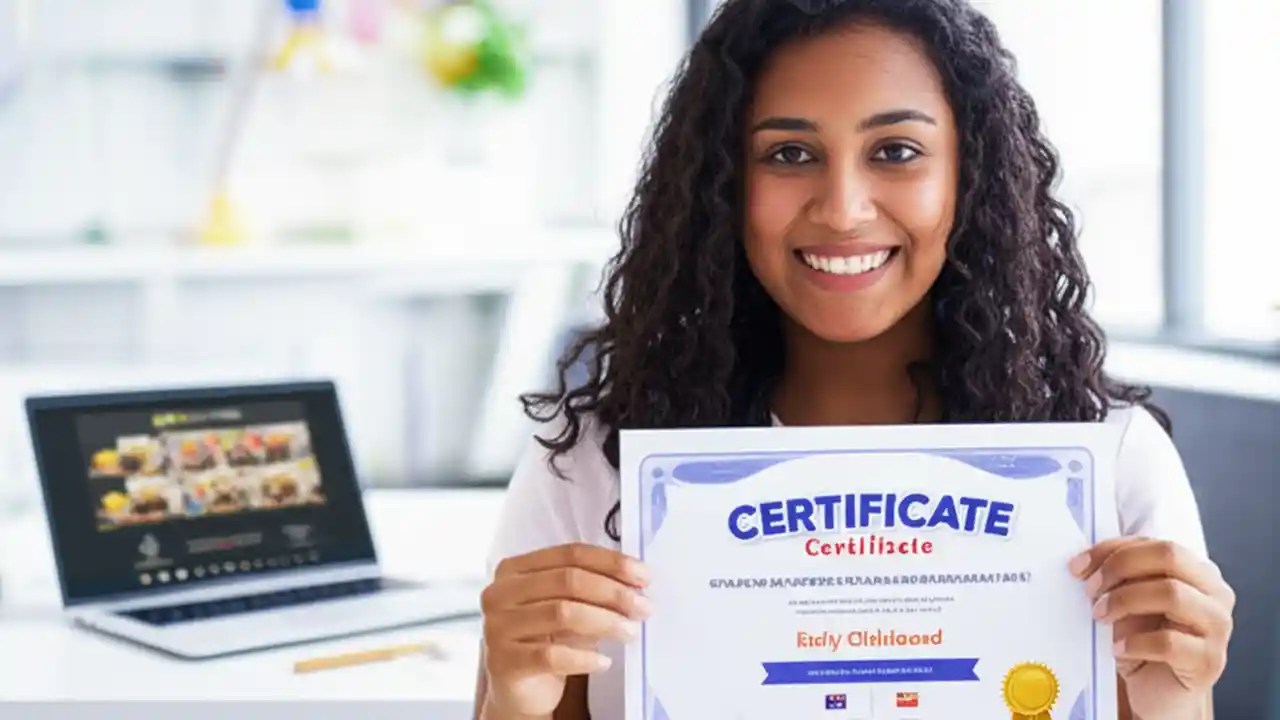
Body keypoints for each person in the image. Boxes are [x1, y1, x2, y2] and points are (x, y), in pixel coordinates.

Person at [474, 1, 1236, 718]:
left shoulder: (1112, 459)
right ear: (722, 185)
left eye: (896, 152)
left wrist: (1176, 699)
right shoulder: (589, 470)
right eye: (790, 153)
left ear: (968, 179)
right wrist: (513, 696)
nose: (842, 208)